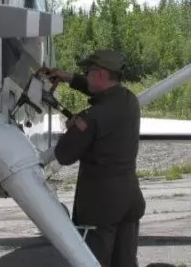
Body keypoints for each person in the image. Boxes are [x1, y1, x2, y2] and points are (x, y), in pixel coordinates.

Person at [43, 49, 146, 267]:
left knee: (91, 262)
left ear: (100, 74)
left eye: (88, 72)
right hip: (129, 199)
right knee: (125, 262)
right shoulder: (129, 100)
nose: (86, 76)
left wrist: (72, 129)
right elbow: (96, 90)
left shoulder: (91, 118)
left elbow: (64, 155)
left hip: (100, 208)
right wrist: (68, 77)